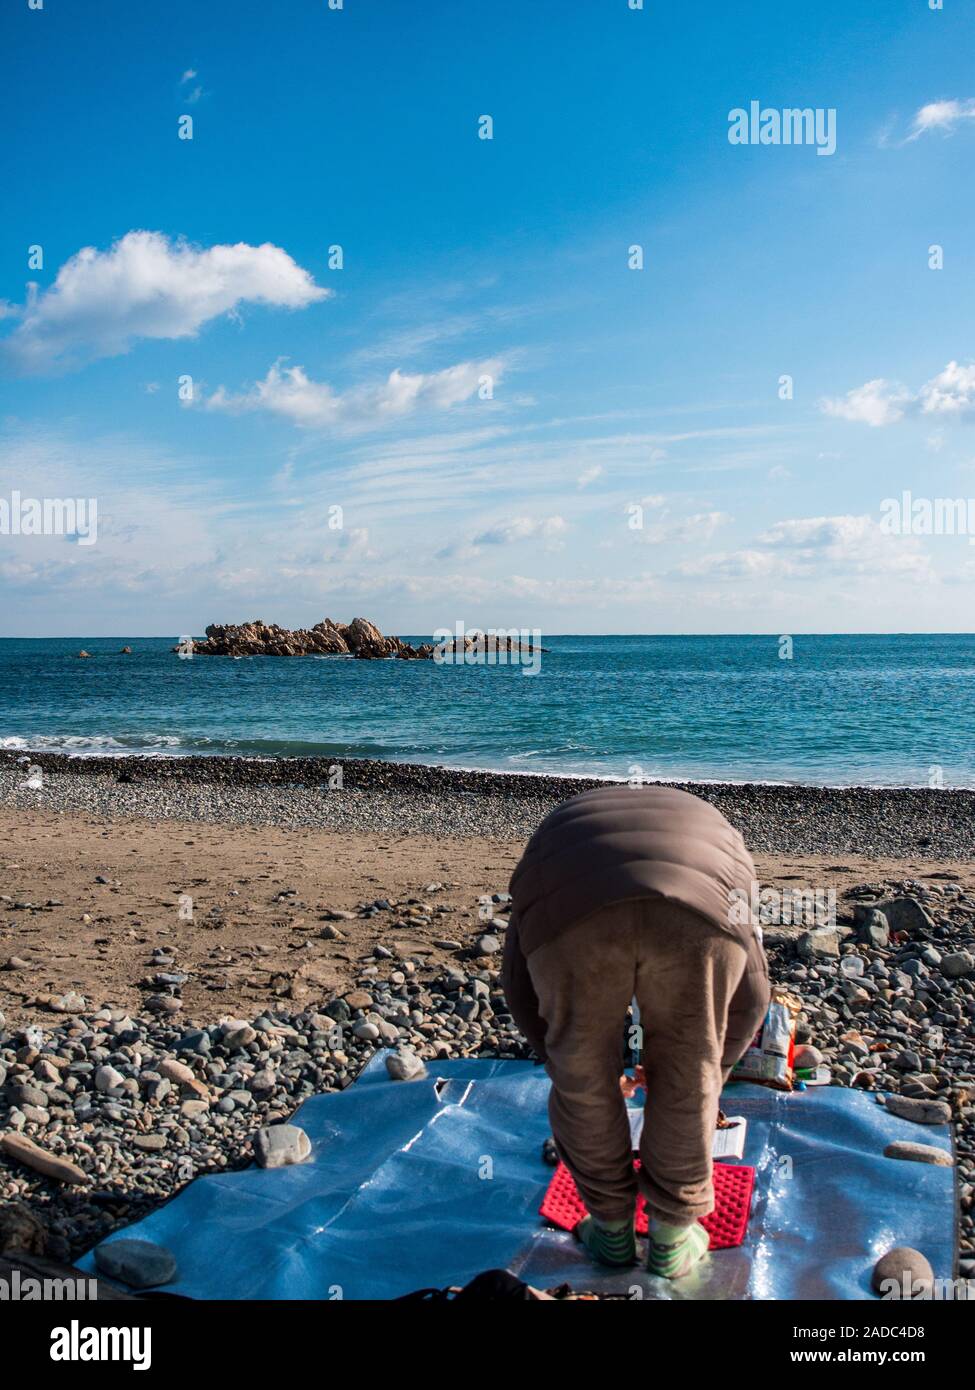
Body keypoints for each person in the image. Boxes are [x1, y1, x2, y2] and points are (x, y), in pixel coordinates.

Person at [501, 784, 769, 1278]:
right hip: (704, 900)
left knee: (583, 1084)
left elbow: (517, 984)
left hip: (572, 903)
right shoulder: (719, 830)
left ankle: (610, 1231)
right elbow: (754, 995)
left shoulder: (554, 832)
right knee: (689, 1078)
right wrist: (714, 1068)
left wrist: (562, 1059)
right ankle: (671, 1239)